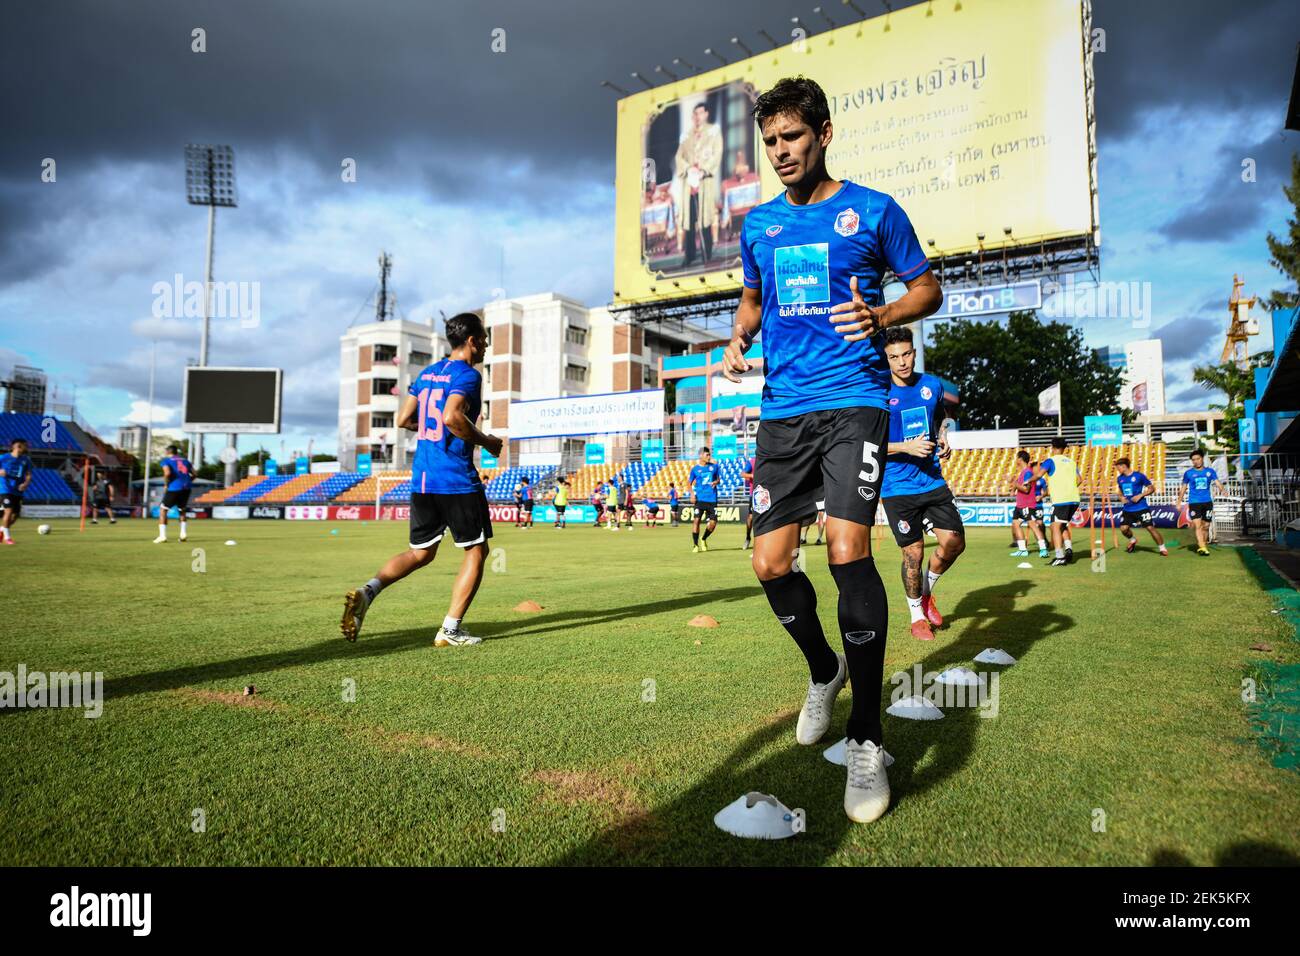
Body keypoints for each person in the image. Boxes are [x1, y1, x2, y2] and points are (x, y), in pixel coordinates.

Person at [722, 76, 941, 823]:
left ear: (824, 132)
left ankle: (867, 739)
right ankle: (825, 671)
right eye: (771, 142)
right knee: (768, 564)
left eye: (793, 138)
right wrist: (740, 335)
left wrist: (882, 313)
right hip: (781, 412)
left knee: (849, 550)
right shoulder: (758, 225)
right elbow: (754, 298)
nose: (781, 152)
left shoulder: (873, 211)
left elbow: (928, 289)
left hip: (855, 400)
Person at [340, 312, 503, 647]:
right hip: (455, 478)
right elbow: (452, 416)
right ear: (471, 341)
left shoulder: (428, 372)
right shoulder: (468, 375)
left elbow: (403, 418)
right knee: (476, 551)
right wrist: (487, 442)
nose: (485, 346)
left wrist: (432, 430)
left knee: (421, 553)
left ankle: (368, 591)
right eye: (484, 340)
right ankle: (450, 630)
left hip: (422, 480)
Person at [880, 326, 965, 642]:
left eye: (905, 354)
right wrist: (905, 448)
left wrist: (943, 436)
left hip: (931, 479)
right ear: (886, 359)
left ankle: (926, 590)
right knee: (913, 552)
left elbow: (942, 417)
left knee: (955, 541)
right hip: (896, 486)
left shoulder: (932, 385)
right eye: (894, 357)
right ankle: (917, 616)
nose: (901, 362)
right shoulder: (878, 392)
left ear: (914, 353)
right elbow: (868, 443)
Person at [675, 101, 723, 268]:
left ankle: (706, 253)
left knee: (704, 219)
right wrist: (688, 169)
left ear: (706, 114)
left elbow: (717, 153)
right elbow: (678, 157)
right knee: (689, 220)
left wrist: (703, 169)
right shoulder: (686, 136)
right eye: (695, 114)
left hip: (704, 182)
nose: (697, 117)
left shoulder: (713, 132)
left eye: (700, 113)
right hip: (689, 184)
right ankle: (688, 255)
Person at [1034, 436, 1082, 566]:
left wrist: (1028, 481)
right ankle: (1068, 549)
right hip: (1074, 499)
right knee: (1062, 525)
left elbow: (1038, 475)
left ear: (1053, 447)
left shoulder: (1050, 461)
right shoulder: (1072, 462)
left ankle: (1060, 557)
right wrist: (1069, 488)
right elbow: (1080, 480)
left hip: (1061, 500)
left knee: (1054, 526)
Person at [1115, 457, 1167, 556]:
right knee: (1123, 529)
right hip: (1127, 508)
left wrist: (1140, 495)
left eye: (1118, 468)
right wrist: (1121, 497)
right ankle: (1133, 540)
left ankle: (1162, 548)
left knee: (1150, 528)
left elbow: (1152, 488)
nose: (1118, 470)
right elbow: (1120, 491)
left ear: (1124, 466)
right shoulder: (1120, 478)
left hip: (1141, 507)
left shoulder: (1139, 476)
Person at [1178, 449, 1224, 556]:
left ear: (1202, 459)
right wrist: (1179, 501)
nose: (1196, 461)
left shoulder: (1210, 471)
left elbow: (1217, 482)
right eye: (1193, 460)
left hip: (1207, 502)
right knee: (1197, 525)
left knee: (1206, 525)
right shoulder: (1188, 473)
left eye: (1198, 459)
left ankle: (1203, 545)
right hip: (1194, 502)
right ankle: (1202, 546)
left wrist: (1223, 489)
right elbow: (1184, 487)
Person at [1009, 451, 1048, 558]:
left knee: (1033, 525)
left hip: (1026, 504)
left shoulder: (1028, 473)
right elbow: (1017, 486)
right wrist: (1014, 487)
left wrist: (1014, 484)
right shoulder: (1023, 472)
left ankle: (1043, 549)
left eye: (1017, 458)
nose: (1016, 460)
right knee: (1015, 524)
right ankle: (1022, 550)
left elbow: (1026, 489)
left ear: (1020, 459)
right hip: (1020, 504)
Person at [154, 444, 194, 543]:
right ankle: (183, 534)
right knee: (182, 510)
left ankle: (162, 536)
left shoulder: (166, 461)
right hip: (186, 488)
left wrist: (166, 485)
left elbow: (167, 473)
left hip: (174, 488)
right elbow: (194, 474)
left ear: (168, 452)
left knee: (163, 510)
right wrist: (188, 481)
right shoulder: (186, 461)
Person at [0, 438, 34, 545]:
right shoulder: (4, 458)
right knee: (8, 511)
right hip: (4, 488)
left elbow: (28, 475)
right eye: (24, 445)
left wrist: (25, 484)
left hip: (17, 490)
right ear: (17, 446)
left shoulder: (26, 460)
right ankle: (7, 538)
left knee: (15, 516)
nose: (26, 447)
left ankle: (2, 530)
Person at [688, 446, 721, 552]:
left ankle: (703, 539)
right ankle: (695, 545)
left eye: (709, 454)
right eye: (707, 455)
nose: (709, 456)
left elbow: (718, 479)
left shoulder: (714, 467)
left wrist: (716, 482)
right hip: (700, 499)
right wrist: (692, 494)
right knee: (696, 521)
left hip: (712, 499)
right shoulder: (695, 469)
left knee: (713, 524)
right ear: (701, 455)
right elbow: (689, 483)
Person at [739, 451, 756, 549]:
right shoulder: (752, 461)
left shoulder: (769, 462)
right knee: (751, 517)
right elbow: (742, 473)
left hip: (766, 494)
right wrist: (752, 476)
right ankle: (748, 538)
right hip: (754, 494)